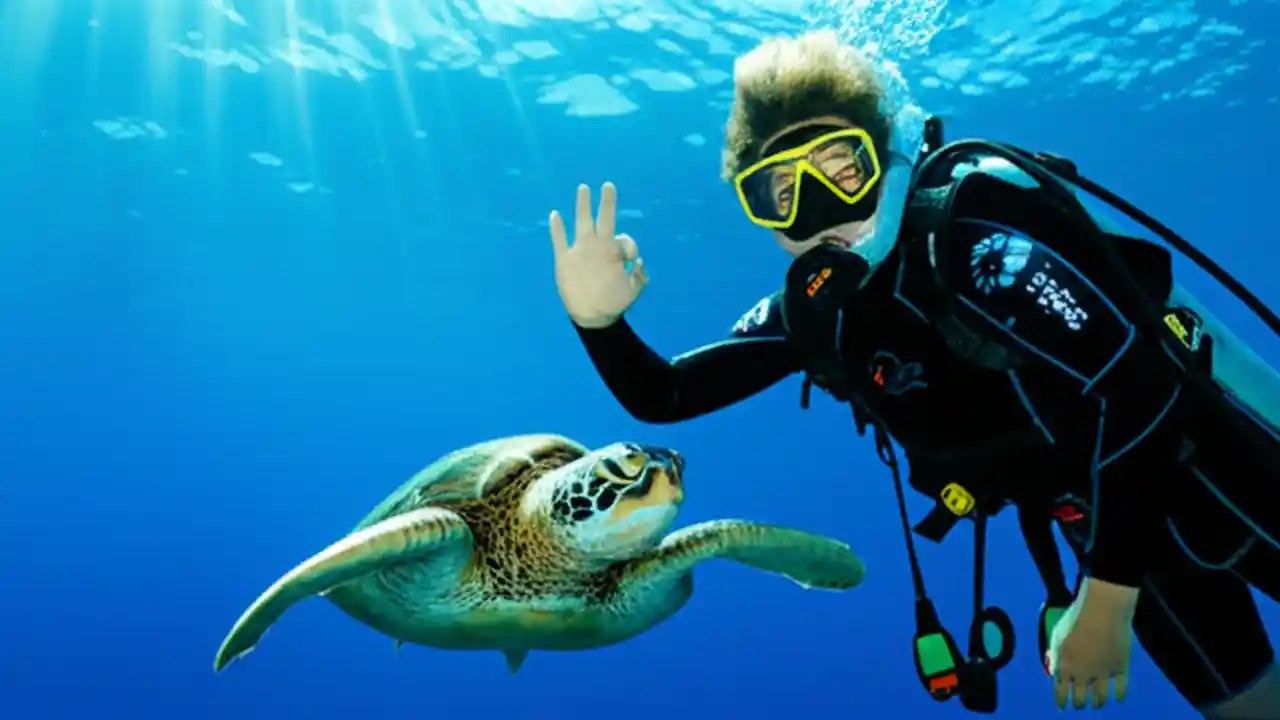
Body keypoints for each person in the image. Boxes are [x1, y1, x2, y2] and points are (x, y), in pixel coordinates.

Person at [545, 29, 1280, 719]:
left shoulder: (972, 249)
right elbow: (665, 394)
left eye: (843, 169)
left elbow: (1140, 385)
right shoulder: (814, 315)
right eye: (784, 191)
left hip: (1221, 473)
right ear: (762, 216)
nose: (823, 209)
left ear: (882, 157)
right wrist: (597, 324)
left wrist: (1109, 597)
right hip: (1108, 533)